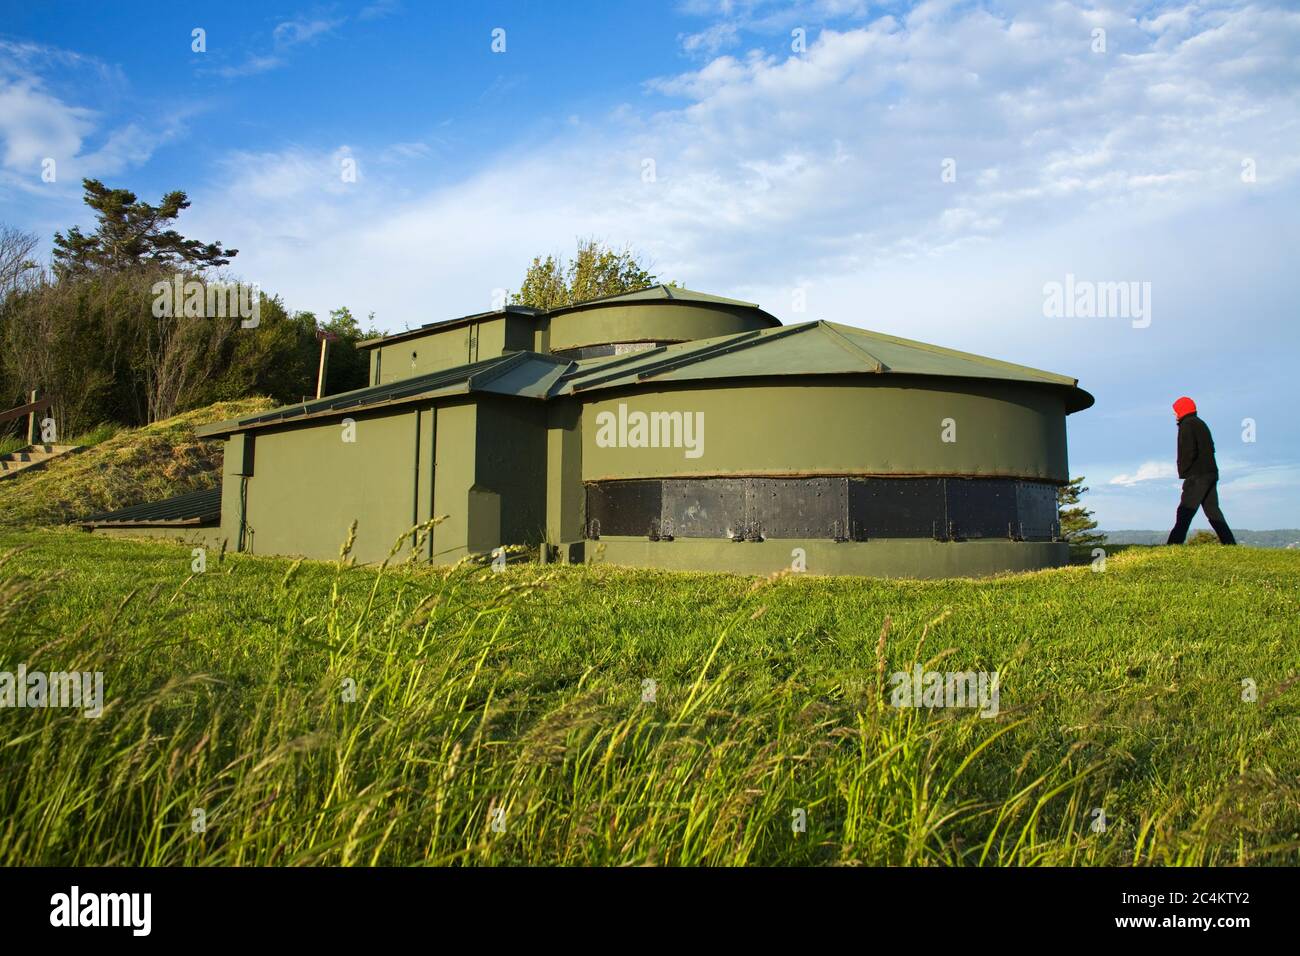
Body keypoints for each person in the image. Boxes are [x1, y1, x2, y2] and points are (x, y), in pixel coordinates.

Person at [1166, 396, 1236, 545]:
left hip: (1197, 475)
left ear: (1182, 410)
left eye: (1175, 410)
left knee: (1185, 511)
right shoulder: (1201, 423)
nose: (1174, 414)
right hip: (1211, 473)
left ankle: (1173, 544)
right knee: (1212, 511)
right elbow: (1211, 448)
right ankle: (1229, 543)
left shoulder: (1187, 425)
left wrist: (1184, 471)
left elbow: (1188, 451)